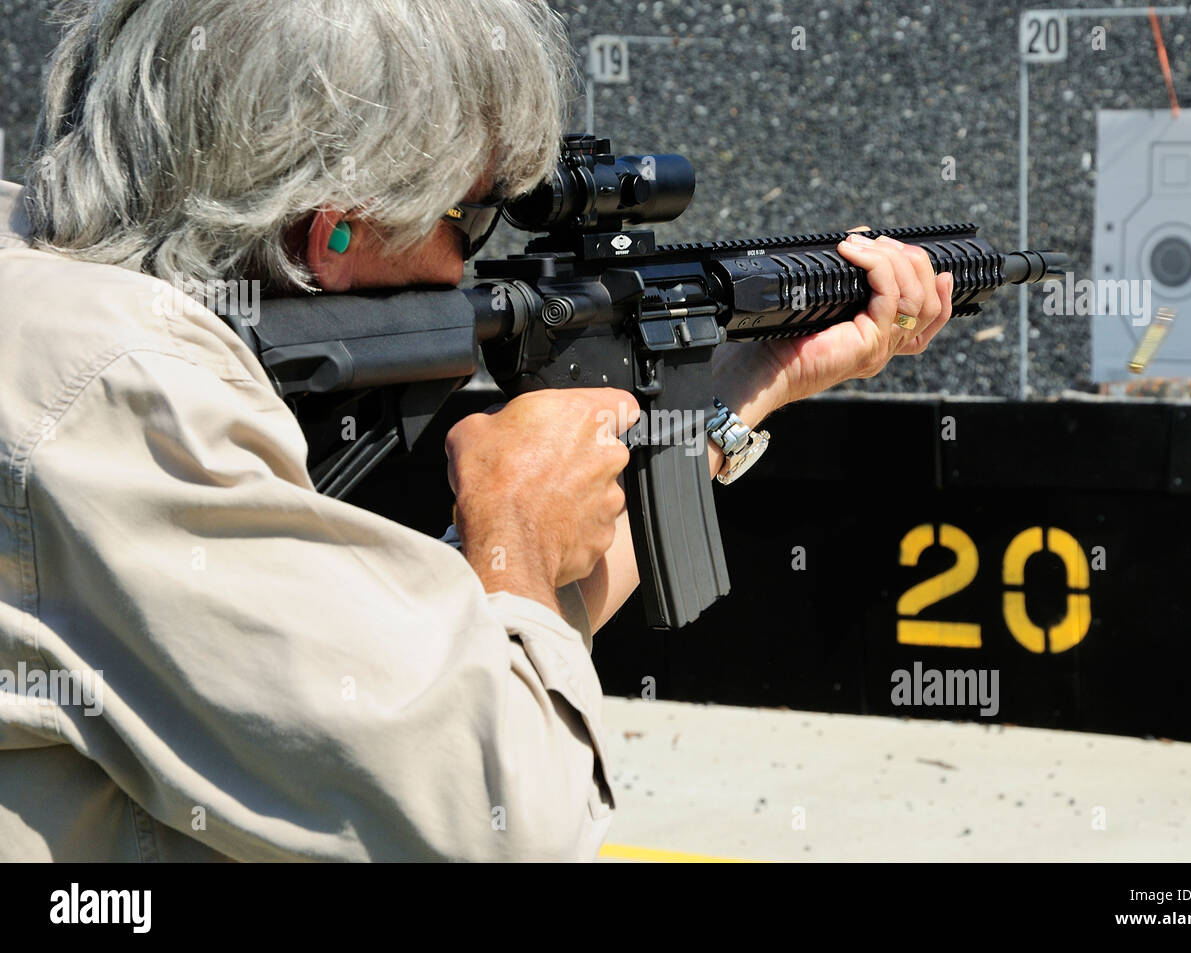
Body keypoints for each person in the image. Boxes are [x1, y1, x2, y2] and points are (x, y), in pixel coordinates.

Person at [0, 0, 953, 861]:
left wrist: (748, 390)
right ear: (330, 233)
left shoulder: (46, 299)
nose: (480, 264)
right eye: (476, 215)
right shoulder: (128, 393)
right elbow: (503, 826)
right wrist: (515, 548)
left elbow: (473, 666)